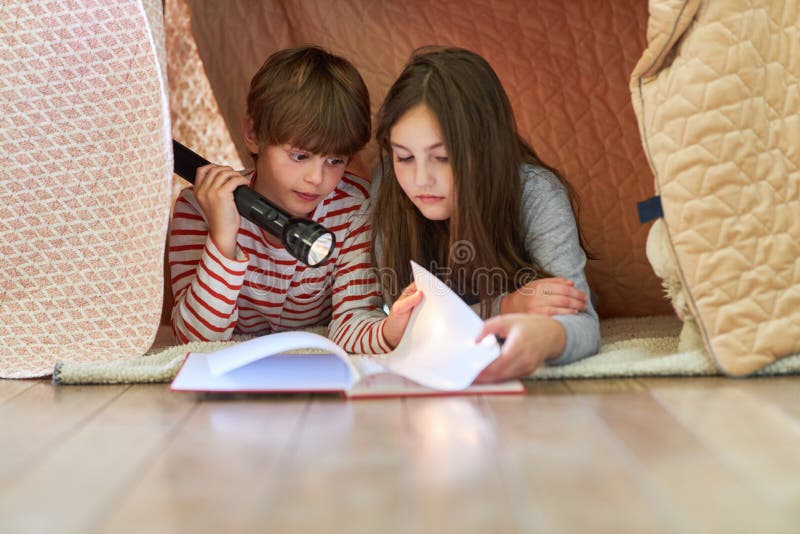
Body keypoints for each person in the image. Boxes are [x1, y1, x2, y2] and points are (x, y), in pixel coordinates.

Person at [370, 46, 601, 381]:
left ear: (485, 150)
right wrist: (508, 306)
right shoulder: (388, 187)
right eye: (404, 157)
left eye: (443, 157)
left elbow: (582, 321)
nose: (420, 179)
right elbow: (403, 321)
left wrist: (544, 338)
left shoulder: (536, 193)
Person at [169, 45, 403, 353]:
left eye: (335, 161)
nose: (316, 178)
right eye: (300, 156)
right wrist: (222, 238)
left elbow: (353, 321)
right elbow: (195, 341)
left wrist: (392, 329)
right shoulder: (198, 208)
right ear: (254, 133)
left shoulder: (354, 209)